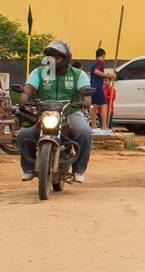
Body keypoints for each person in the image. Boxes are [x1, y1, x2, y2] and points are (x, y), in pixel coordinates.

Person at [17, 41, 94, 183]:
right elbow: (29, 88)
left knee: (85, 132)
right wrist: (24, 98)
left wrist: (85, 101)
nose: (53, 61)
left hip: (70, 112)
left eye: (57, 58)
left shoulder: (78, 74)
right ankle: (28, 168)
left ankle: (78, 170)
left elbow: (85, 92)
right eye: (50, 57)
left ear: (66, 59)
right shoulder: (39, 72)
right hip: (43, 113)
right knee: (24, 134)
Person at [90, 47, 111, 129]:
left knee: (94, 106)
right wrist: (107, 76)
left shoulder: (93, 63)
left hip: (92, 86)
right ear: (102, 55)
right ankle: (104, 126)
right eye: (104, 57)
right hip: (98, 87)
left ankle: (94, 126)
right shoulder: (99, 62)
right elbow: (96, 71)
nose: (104, 59)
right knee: (104, 105)